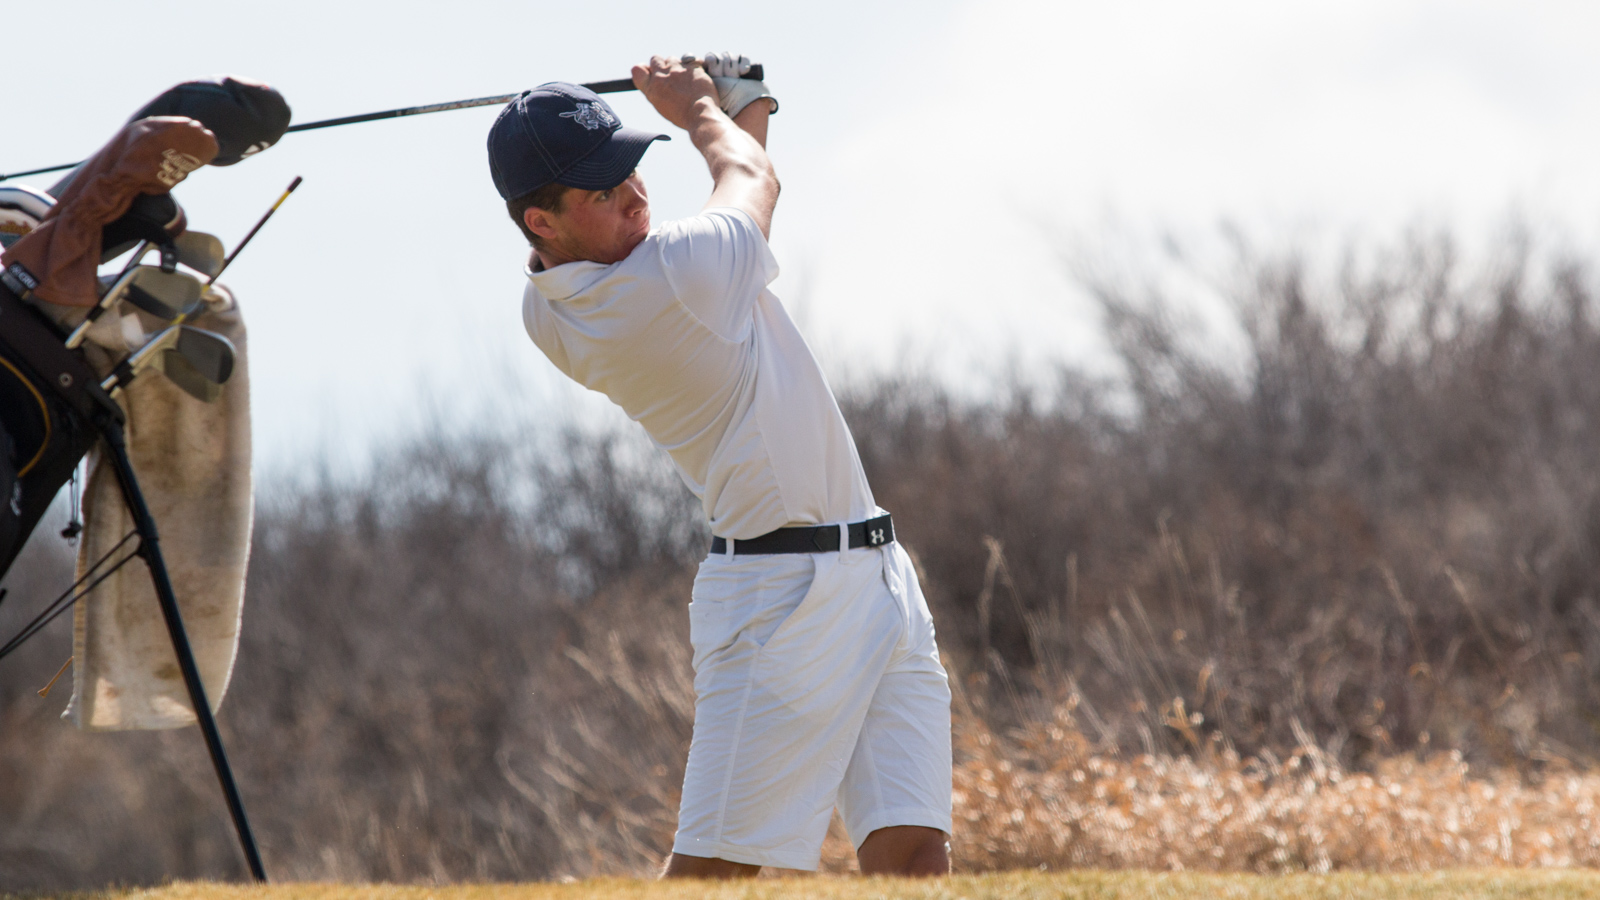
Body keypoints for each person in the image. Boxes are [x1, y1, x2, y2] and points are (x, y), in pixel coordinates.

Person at [486, 52, 952, 878]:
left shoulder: (556, 302)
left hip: (876, 574)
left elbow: (741, 180)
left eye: (630, 169)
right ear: (541, 223)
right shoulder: (671, 281)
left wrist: (744, 106)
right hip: (782, 599)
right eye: (601, 190)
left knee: (913, 853)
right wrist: (704, 104)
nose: (633, 193)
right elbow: (750, 180)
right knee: (711, 877)